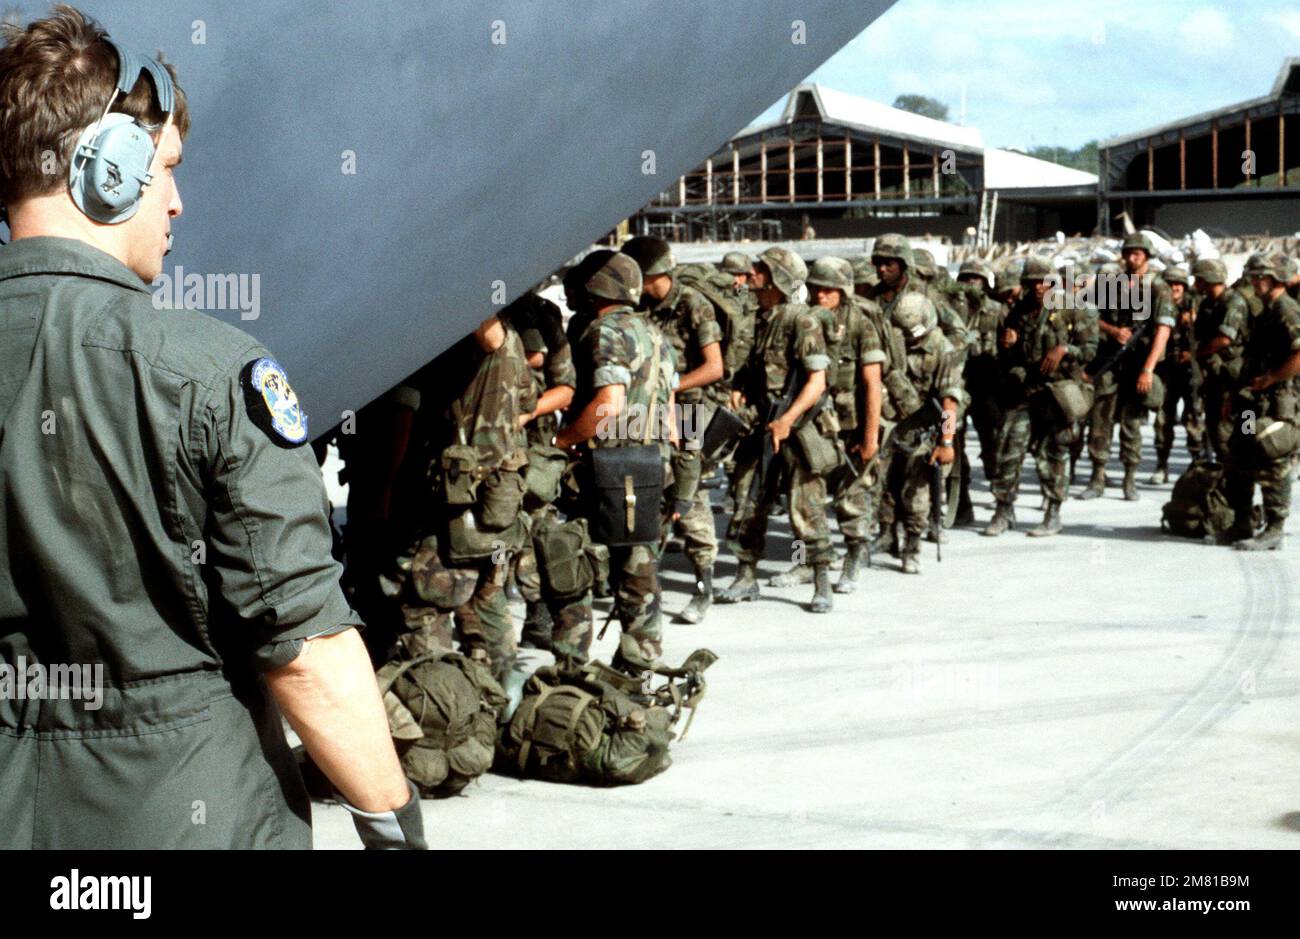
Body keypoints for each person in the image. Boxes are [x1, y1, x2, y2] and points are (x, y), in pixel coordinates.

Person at [0, 7, 421, 849]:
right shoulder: (208, 371)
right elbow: (303, 650)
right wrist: (394, 822)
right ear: (109, 172)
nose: (179, 203)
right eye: (167, 171)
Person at [555, 252, 678, 672]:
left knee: (572, 565)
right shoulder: (654, 333)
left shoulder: (605, 332)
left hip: (604, 469)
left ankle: (571, 670)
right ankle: (642, 665)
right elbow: (671, 409)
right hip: (647, 465)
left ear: (595, 288)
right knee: (639, 571)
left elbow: (609, 405)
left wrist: (562, 439)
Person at [716, 247, 838, 612]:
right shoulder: (758, 318)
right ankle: (746, 575)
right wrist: (740, 387)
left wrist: (788, 419)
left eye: (761, 269)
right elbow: (750, 367)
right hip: (761, 425)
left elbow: (817, 381)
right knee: (747, 501)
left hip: (797, 428)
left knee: (806, 511)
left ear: (778, 279)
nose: (751, 273)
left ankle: (817, 577)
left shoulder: (801, 320)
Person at [620, 237, 724, 626]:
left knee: (689, 496)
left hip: (689, 410)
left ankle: (703, 586)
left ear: (652, 275)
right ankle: (643, 585)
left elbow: (715, 368)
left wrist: (667, 387)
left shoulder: (694, 306)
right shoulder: (640, 308)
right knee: (642, 488)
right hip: (649, 410)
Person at [982, 257, 1098, 537]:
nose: (1037, 287)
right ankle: (1003, 509)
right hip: (1025, 392)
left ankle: (1053, 512)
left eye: (1043, 281)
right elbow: (1010, 356)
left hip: (1057, 394)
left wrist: (1065, 351)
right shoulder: (1019, 312)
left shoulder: (1073, 308)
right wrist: (1007, 346)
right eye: (1031, 282)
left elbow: (1091, 348)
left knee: (1053, 453)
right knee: (1008, 448)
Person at [1080, 233, 1176, 502]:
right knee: (1100, 420)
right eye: (1128, 253)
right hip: (1109, 362)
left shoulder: (1158, 288)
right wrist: (1112, 331)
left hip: (1137, 364)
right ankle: (1097, 476)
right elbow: (1089, 314)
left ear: (1146, 256)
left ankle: (1129, 479)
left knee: (1131, 424)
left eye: (1137, 254)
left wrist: (1148, 369)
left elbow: (1163, 331)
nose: (1132, 258)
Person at [807, 256, 884, 593]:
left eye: (828, 290)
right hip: (812, 423)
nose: (820, 296)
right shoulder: (807, 320)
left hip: (850, 423)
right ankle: (802, 561)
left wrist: (870, 438)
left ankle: (854, 553)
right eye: (815, 289)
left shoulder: (859, 323)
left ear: (843, 292)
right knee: (805, 498)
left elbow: (872, 383)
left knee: (851, 496)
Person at [878, 292, 961, 573]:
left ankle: (912, 546)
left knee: (917, 494)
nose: (910, 340)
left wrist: (947, 441)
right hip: (893, 425)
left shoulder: (943, 349)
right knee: (885, 486)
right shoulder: (893, 342)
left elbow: (950, 401)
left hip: (927, 430)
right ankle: (887, 535)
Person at [1224, 252, 1300, 550]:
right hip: (1251, 403)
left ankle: (1275, 528)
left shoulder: (1287, 310)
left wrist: (1272, 378)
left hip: (1278, 403)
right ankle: (1241, 522)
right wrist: (1236, 395)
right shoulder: (1266, 310)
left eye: (1259, 277)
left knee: (1273, 461)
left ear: (1273, 279)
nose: (1254, 282)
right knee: (1239, 456)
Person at [1191, 258, 1250, 462]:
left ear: (1209, 279)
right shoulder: (1208, 303)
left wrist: (1195, 353)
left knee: (1236, 427)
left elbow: (1224, 339)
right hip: (1216, 375)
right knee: (1216, 427)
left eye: (1198, 279)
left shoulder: (1234, 302)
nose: (1195, 284)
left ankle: (1239, 470)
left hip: (1235, 376)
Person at [1149, 265, 1202, 481]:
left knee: (1194, 418)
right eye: (1170, 284)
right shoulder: (1157, 305)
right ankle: (1162, 464)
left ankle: (1197, 462)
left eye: (1179, 284)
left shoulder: (1195, 305)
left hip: (1191, 371)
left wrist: (1194, 325)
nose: (1175, 288)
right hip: (1166, 370)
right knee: (1163, 419)